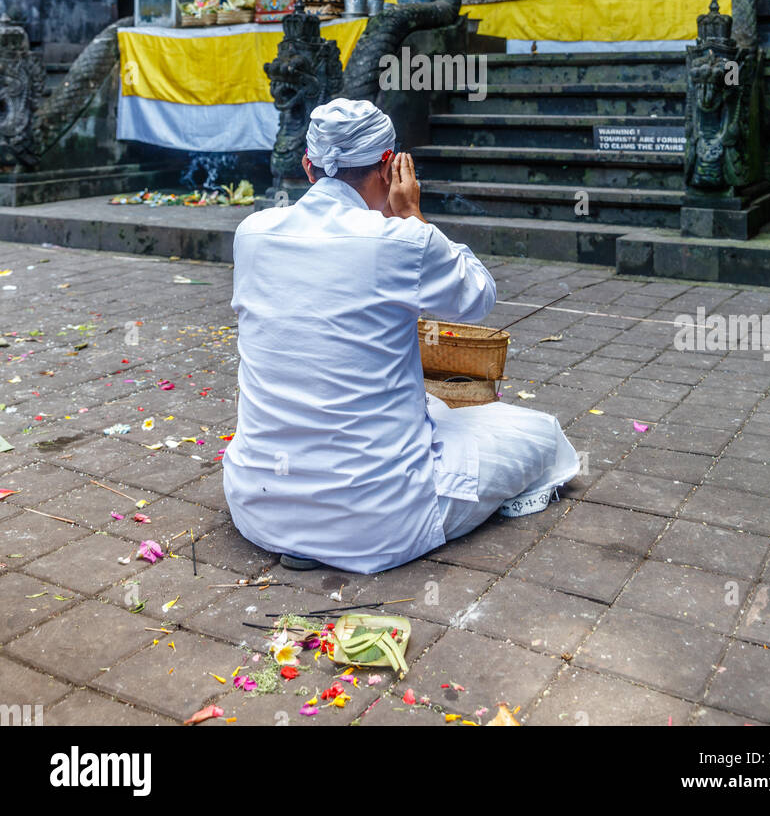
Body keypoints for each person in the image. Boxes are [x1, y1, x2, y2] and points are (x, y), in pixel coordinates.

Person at [223, 97, 580, 574]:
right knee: (541, 435)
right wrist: (411, 214)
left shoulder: (252, 232)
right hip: (376, 522)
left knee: (433, 409)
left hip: (257, 504)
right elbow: (478, 296)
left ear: (308, 167)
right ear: (389, 166)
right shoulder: (402, 239)